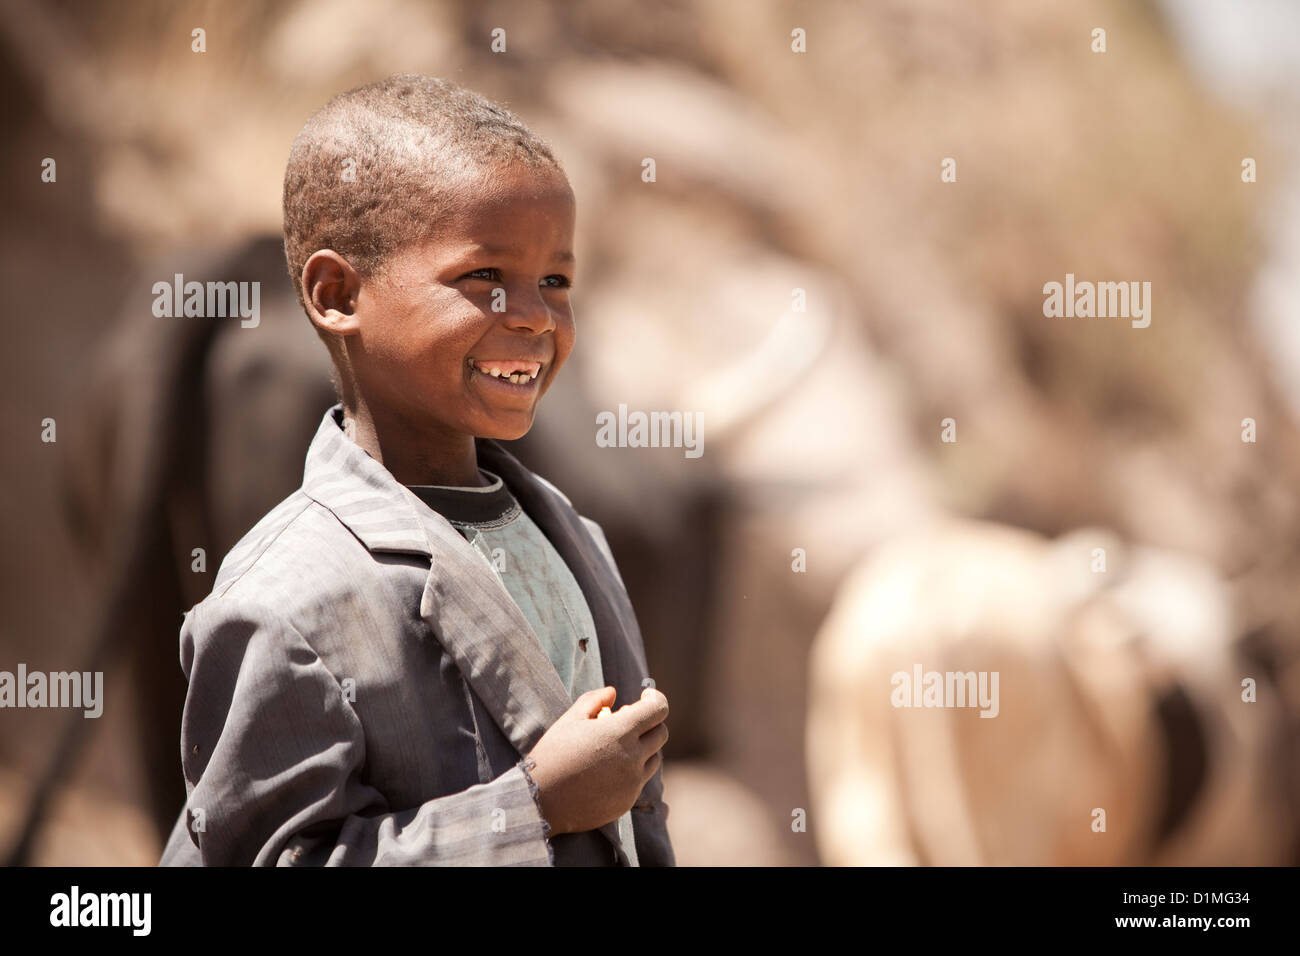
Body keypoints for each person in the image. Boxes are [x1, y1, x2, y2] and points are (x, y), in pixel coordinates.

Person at [157, 74, 673, 866]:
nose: (534, 314)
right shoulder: (283, 602)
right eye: (484, 278)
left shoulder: (576, 539)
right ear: (337, 294)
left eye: (556, 281)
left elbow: (635, 818)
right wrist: (531, 807)